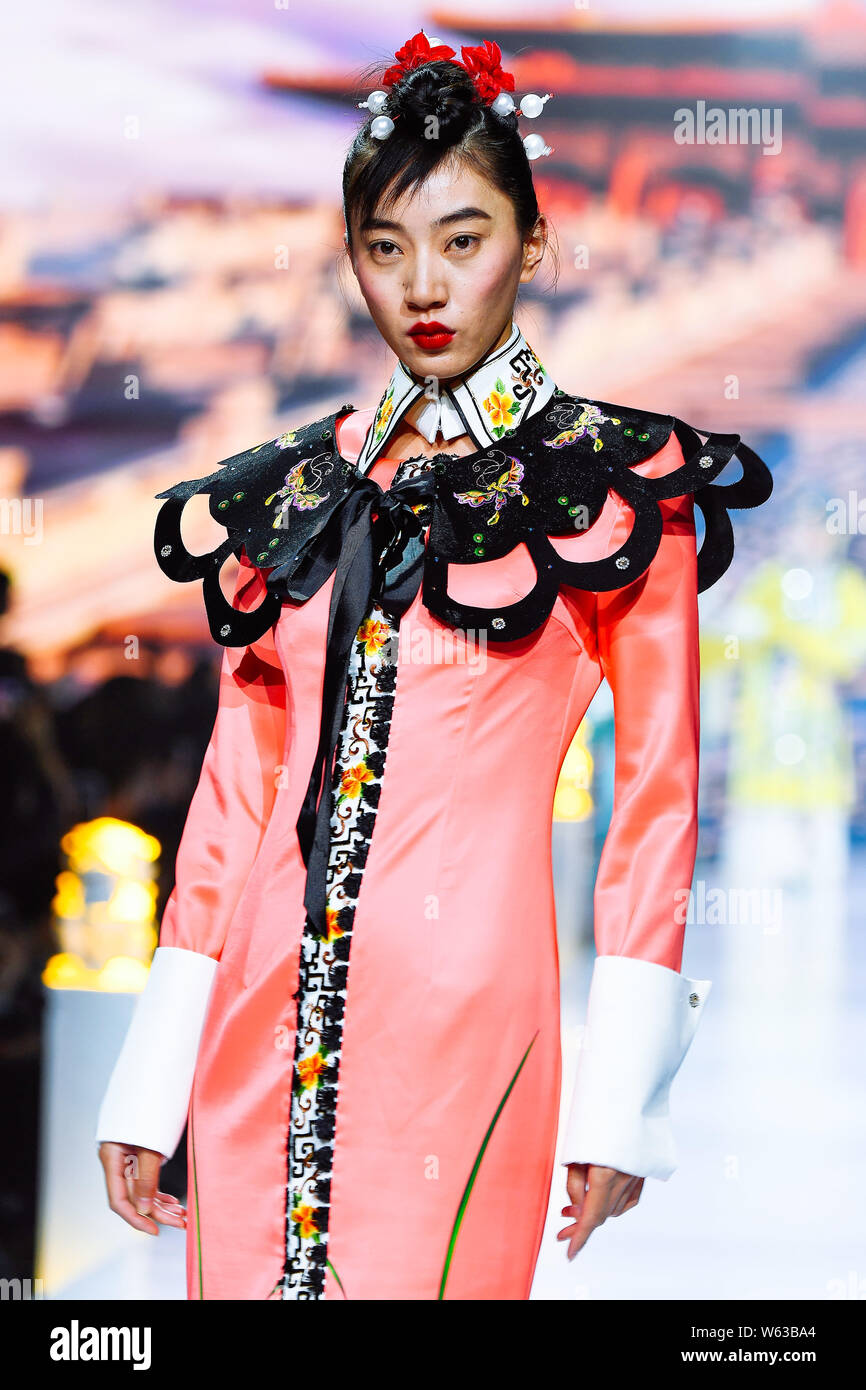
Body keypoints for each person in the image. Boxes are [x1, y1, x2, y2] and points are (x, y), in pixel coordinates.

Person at [95, 34, 772, 1300]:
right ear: (350, 256)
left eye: (463, 240)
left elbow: (656, 801)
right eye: (387, 246)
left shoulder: (611, 486)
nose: (424, 284)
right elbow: (237, 795)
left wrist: (617, 1096)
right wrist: (153, 1070)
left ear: (532, 241)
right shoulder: (289, 490)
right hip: (250, 1019)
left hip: (465, 1032)